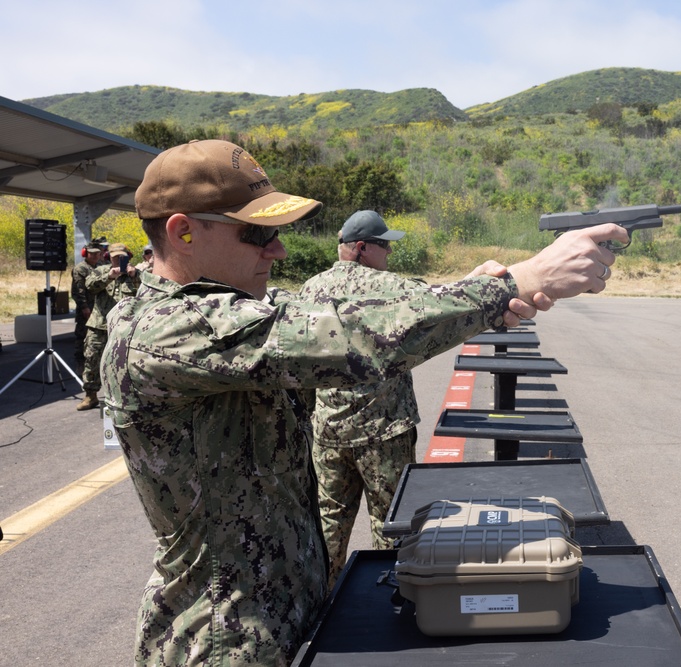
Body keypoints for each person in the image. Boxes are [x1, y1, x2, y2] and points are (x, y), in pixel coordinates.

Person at [102, 139, 623, 666]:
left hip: (285, 613)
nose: (277, 251)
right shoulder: (162, 330)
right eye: (257, 234)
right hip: (224, 641)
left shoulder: (233, 309)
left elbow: (354, 305)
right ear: (183, 231)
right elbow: (349, 335)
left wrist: (462, 292)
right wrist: (520, 280)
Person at [299, 211, 437, 585]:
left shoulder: (310, 288)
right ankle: (385, 604)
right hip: (384, 431)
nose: (389, 252)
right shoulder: (389, 286)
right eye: (384, 245)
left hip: (329, 432)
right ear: (362, 248)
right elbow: (437, 307)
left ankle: (320, 605)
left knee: (328, 522)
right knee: (392, 521)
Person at [76, 242, 140, 410]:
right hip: (100, 325)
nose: (118, 260)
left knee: (126, 363)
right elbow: (90, 286)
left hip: (125, 327)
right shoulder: (100, 271)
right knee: (92, 358)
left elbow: (147, 293)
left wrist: (135, 276)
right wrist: (109, 277)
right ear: (108, 258)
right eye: (115, 257)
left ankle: (126, 398)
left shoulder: (136, 274)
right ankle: (90, 395)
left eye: (122, 257)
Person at [70, 241, 104, 373]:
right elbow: (78, 291)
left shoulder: (101, 266)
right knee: (82, 335)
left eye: (97, 253)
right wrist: (84, 307)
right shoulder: (80, 269)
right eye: (92, 254)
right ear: (85, 253)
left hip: (100, 307)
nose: (95, 256)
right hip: (87, 308)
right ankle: (80, 363)